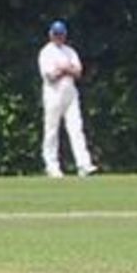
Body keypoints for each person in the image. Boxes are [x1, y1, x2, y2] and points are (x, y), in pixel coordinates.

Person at [39, 20, 97, 178]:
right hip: (53, 94)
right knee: (51, 130)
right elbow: (50, 76)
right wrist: (65, 69)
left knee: (76, 128)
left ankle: (83, 164)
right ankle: (51, 165)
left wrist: (65, 70)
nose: (59, 37)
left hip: (70, 93)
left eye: (61, 34)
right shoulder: (46, 53)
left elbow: (78, 72)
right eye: (56, 34)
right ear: (51, 35)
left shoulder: (70, 51)